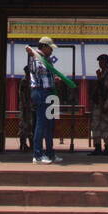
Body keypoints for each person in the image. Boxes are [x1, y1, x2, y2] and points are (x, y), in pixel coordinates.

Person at [25, 35, 65, 164]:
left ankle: (49, 153)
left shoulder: (46, 59)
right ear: (44, 46)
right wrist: (34, 54)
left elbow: (47, 75)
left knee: (49, 124)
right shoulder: (36, 58)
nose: (52, 51)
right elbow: (38, 71)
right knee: (41, 123)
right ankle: (37, 155)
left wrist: (55, 79)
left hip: (49, 92)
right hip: (40, 92)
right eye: (50, 48)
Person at [88, 54, 108, 156]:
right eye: (99, 62)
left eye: (102, 61)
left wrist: (107, 105)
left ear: (106, 62)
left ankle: (106, 148)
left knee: (105, 126)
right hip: (98, 104)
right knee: (95, 125)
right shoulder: (100, 75)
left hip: (105, 104)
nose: (100, 63)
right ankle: (97, 147)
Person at [17, 64, 33, 152]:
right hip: (24, 106)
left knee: (30, 125)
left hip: (29, 105)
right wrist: (24, 104)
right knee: (23, 125)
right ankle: (22, 144)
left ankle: (30, 145)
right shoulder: (24, 80)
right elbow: (21, 94)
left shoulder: (31, 80)